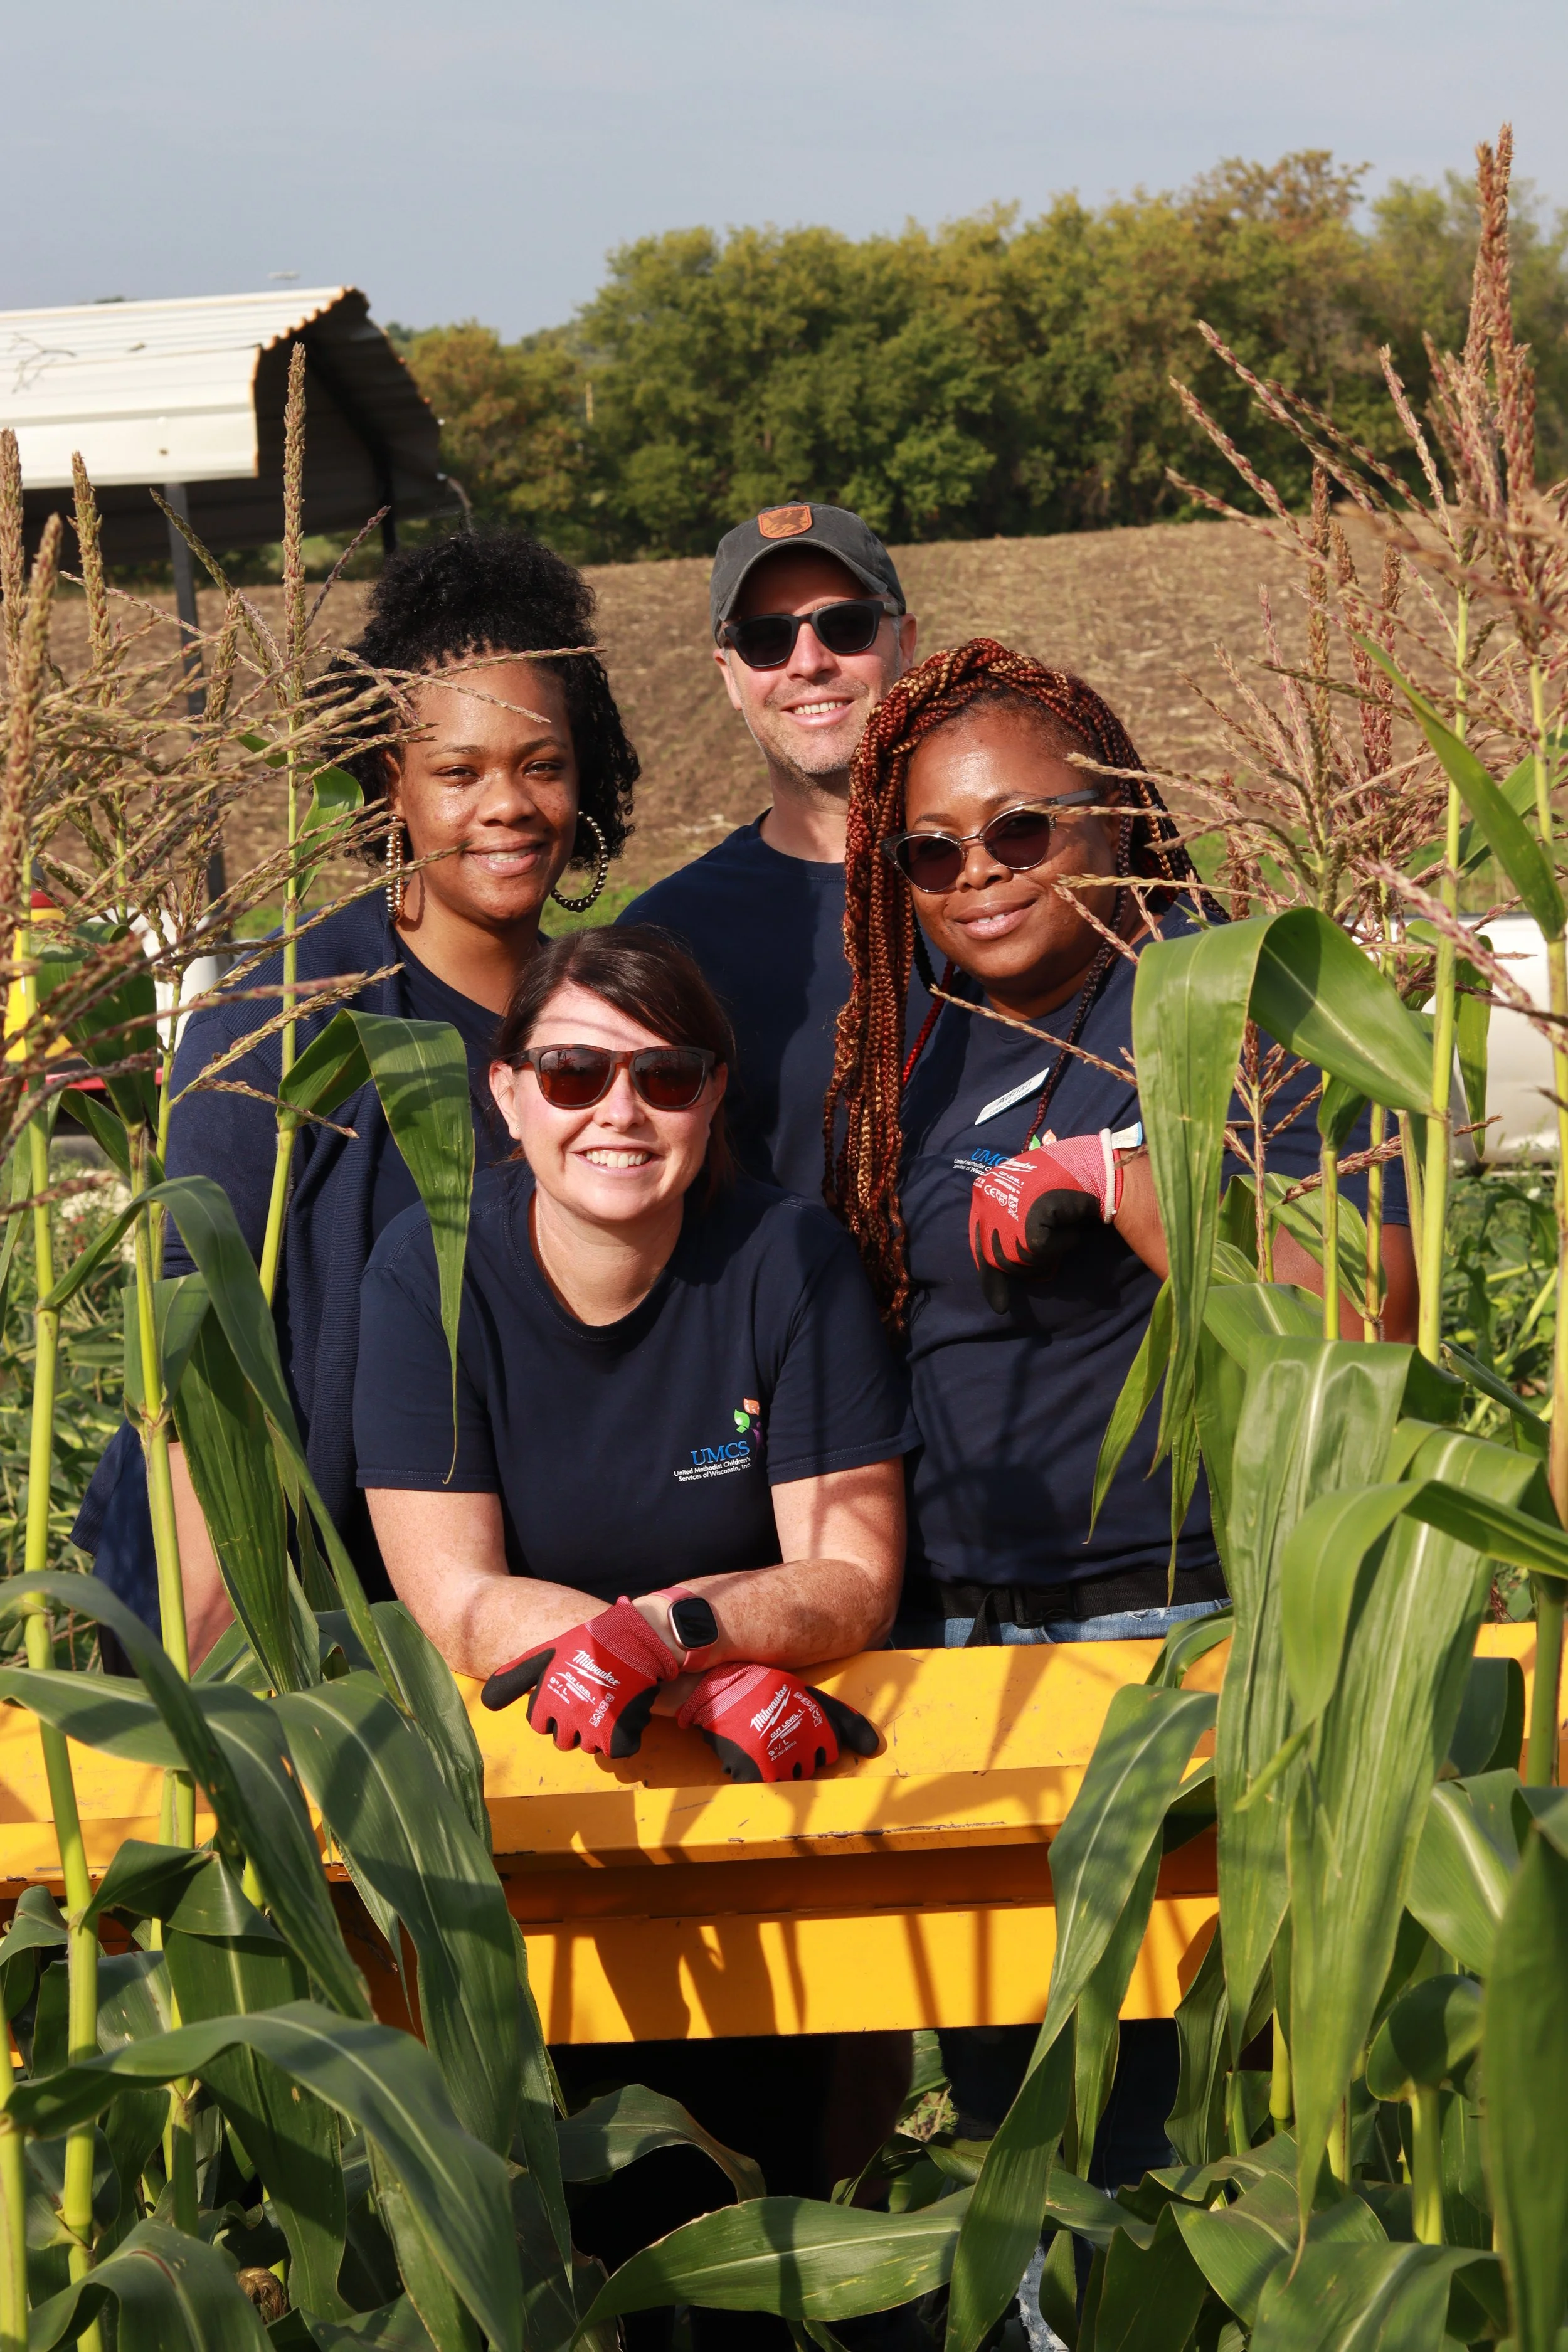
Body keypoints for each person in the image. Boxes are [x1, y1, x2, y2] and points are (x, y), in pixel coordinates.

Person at [825, 637, 1416, 2201]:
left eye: (1022, 828)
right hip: (961, 1644)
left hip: (1182, 1634)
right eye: (931, 851)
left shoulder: (1230, 998)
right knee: (1026, 2131)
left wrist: (1122, 1178)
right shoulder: (915, 1050)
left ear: (1119, 816)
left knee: (1183, 2139)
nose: (978, 872)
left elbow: (1363, 1319)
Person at [354, 925, 916, 2352]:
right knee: (569, 2246)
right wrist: (687, 1673)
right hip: (530, 1840)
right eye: (574, 1069)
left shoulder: (783, 1256)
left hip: (761, 1829)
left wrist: (679, 1634)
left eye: (665, 1073)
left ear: (714, 1095)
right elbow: (463, 1598)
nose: (620, 1107)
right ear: (507, 1092)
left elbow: (848, 1572)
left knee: (767, 2241)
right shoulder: (430, 1272)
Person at [73, 530, 640, 1664]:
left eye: (543, 764)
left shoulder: (608, 1034)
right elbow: (201, 1339)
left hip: (544, 1620)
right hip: (319, 1636)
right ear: (389, 784)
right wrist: (209, 1666)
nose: (511, 806)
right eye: (460, 771)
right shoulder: (286, 1012)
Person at [620, 502, 919, 1198]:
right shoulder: (666, 939)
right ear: (729, 675)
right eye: (765, 639)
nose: (810, 663)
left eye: (845, 626)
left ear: (904, 642)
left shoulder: (1002, 878)